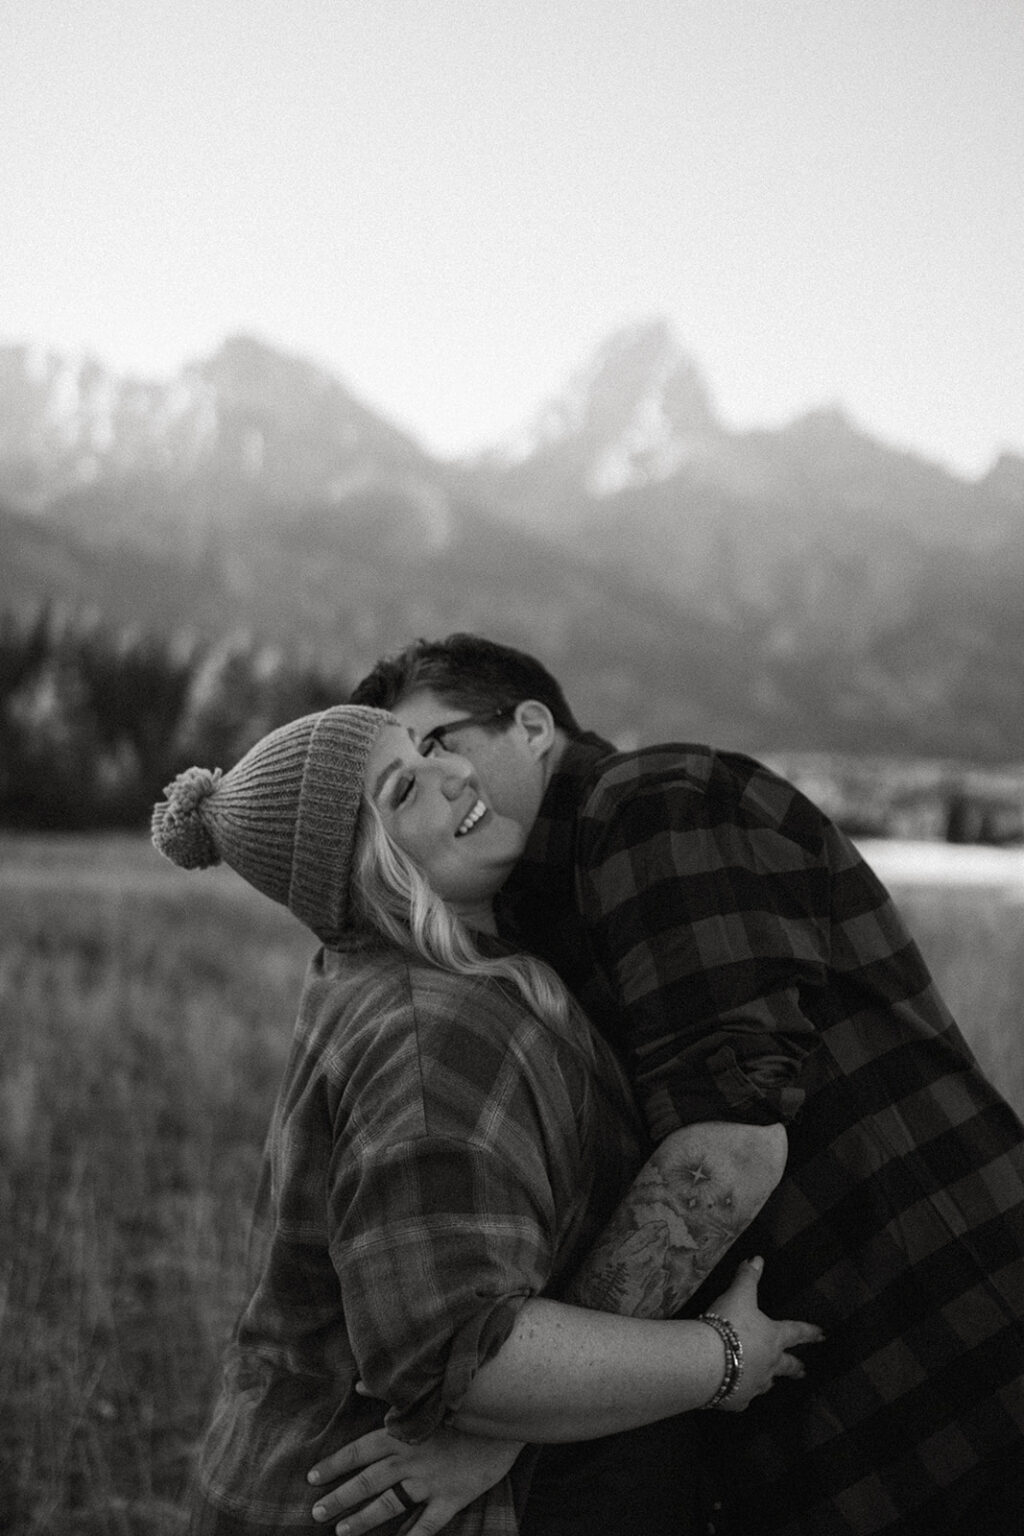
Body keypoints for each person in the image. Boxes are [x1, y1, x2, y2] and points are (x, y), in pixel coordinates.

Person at [337, 634, 1024, 1536]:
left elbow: (725, 1146)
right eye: (402, 782)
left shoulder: (650, 806)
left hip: (957, 1363)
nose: (437, 780)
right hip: (842, 1407)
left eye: (440, 741)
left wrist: (513, 1421)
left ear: (534, 725)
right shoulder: (540, 923)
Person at [151, 705, 821, 1536]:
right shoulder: (433, 1032)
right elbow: (465, 1363)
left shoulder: (393, 974)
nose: (455, 772)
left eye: (429, 747)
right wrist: (721, 1360)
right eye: (404, 790)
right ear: (362, 871)